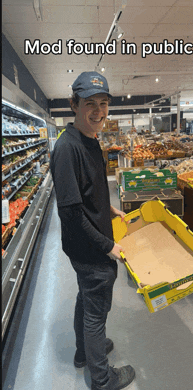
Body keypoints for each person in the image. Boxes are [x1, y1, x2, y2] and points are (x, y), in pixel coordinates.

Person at [50, 71, 135, 390]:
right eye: (90, 103)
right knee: (96, 315)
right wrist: (106, 246)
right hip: (89, 249)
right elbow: (71, 213)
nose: (98, 111)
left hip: (86, 247)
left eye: (103, 103)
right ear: (74, 104)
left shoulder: (89, 140)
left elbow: (88, 192)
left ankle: (83, 353)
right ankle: (102, 379)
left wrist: (108, 207)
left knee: (86, 301)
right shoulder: (67, 148)